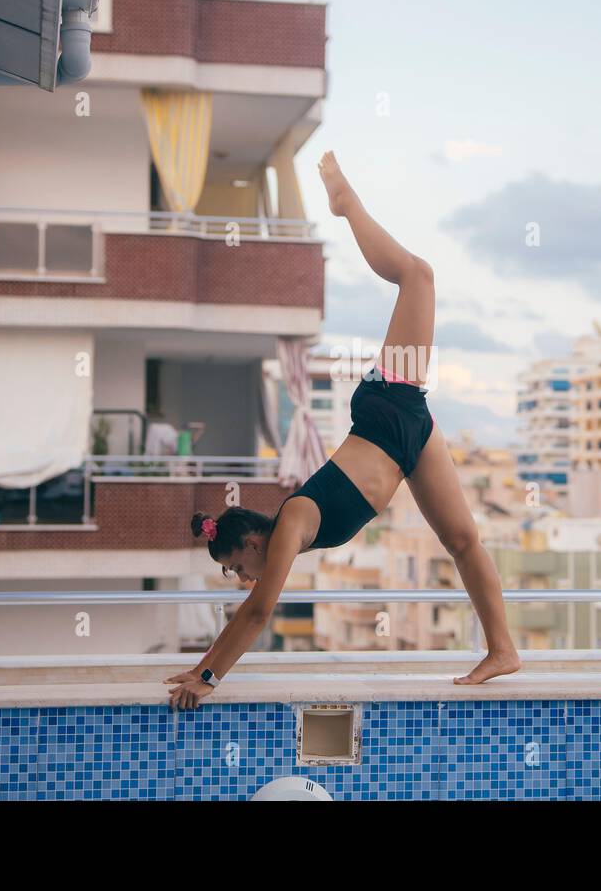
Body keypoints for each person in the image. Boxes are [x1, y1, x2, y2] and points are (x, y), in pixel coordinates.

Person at [164, 152, 520, 709]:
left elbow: (258, 614)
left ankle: (347, 206)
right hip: (408, 441)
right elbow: (250, 610)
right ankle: (503, 649)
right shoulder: (289, 531)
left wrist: (207, 680)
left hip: (387, 409)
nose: (241, 577)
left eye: (236, 565)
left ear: (254, 542)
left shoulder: (293, 523)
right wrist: (199, 665)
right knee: (463, 540)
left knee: (417, 275)